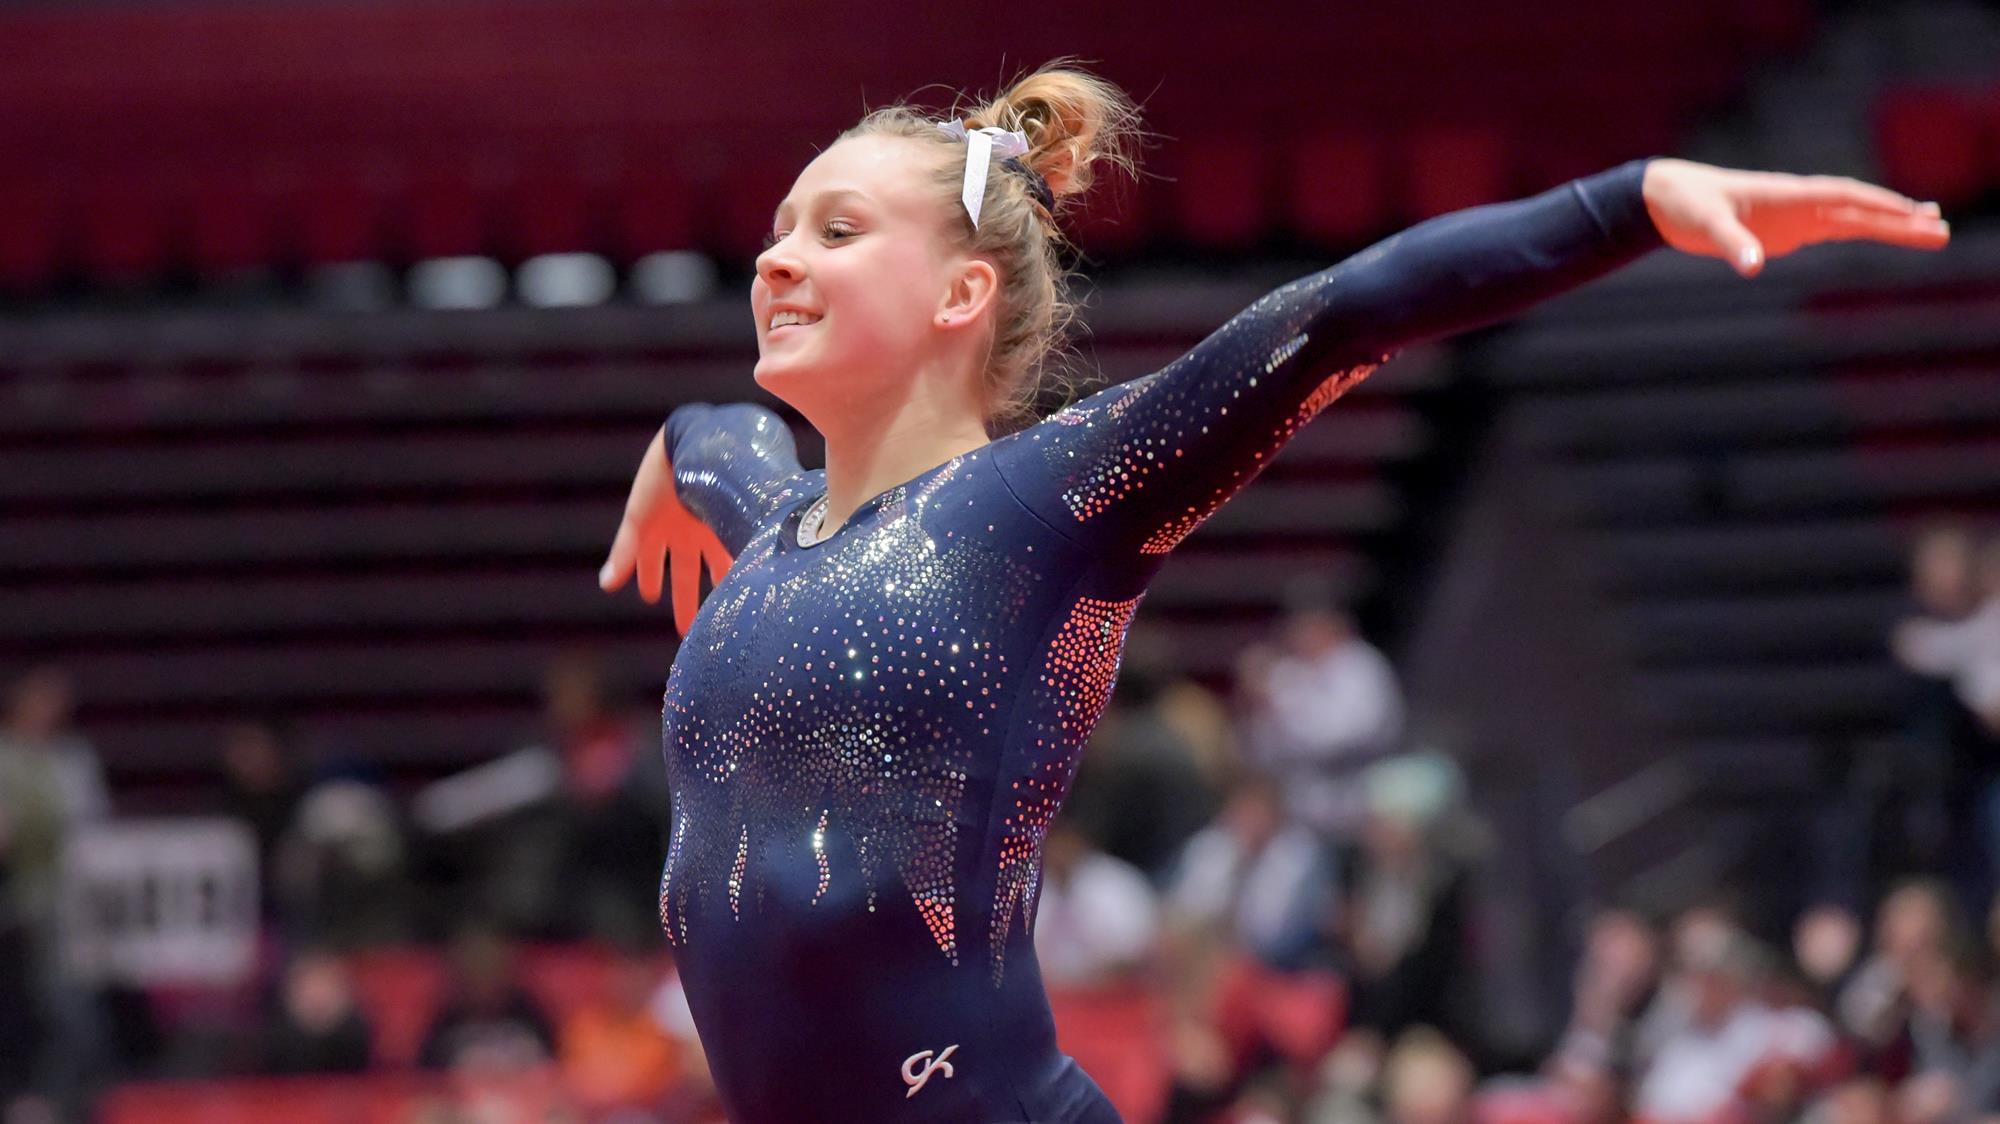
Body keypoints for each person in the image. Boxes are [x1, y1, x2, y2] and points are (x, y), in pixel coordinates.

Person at [594, 58, 1949, 1123]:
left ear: (963, 294)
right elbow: (713, 435)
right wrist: (666, 462)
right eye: (777, 232)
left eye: (834, 231)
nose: (776, 260)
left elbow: (1345, 311)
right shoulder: (767, 523)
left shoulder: (1046, 501)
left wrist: (1633, 200)